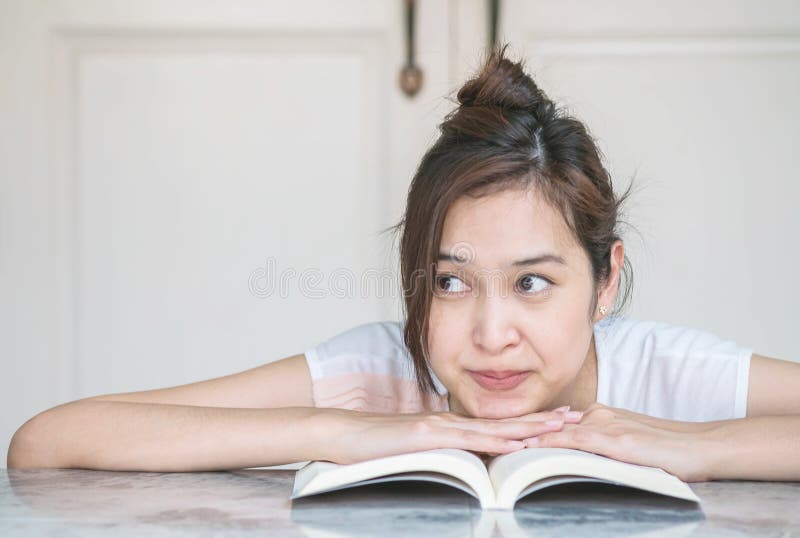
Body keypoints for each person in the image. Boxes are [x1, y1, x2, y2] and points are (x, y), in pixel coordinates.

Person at [7, 44, 799, 482]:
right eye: (452, 282)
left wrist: (700, 446)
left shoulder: (666, 371)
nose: (491, 334)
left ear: (606, 283)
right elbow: (48, 440)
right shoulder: (381, 371)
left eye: (532, 283)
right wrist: (338, 433)